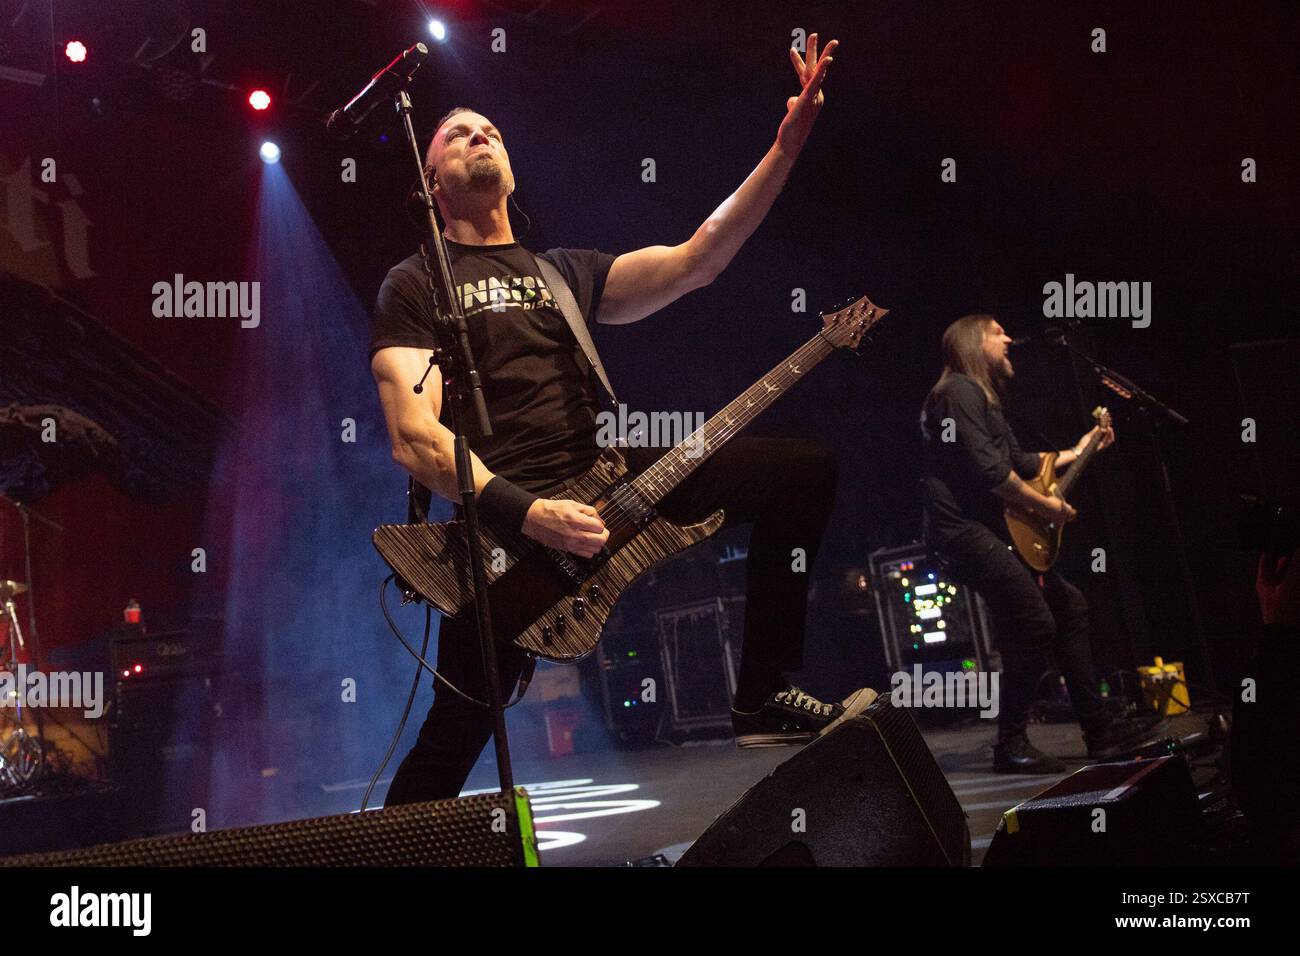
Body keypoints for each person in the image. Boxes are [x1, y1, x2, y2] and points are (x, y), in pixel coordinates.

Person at [370, 34, 873, 806]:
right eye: (459, 133)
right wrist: (529, 514)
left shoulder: (561, 272)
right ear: (430, 178)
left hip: (607, 485)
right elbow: (415, 439)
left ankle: (762, 693)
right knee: (458, 728)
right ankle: (384, 857)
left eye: (491, 130)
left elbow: (698, 258)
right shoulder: (413, 284)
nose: (482, 136)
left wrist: (785, 147)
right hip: (505, 529)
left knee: (801, 471)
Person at [919, 314, 1168, 773]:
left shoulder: (983, 397)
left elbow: (1020, 460)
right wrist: (1048, 508)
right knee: (1035, 623)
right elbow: (992, 474)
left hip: (985, 530)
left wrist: (1083, 447)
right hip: (960, 533)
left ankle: (1101, 730)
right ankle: (1010, 743)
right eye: (998, 332)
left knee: (1068, 606)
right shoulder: (958, 392)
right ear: (975, 342)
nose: (1009, 337)